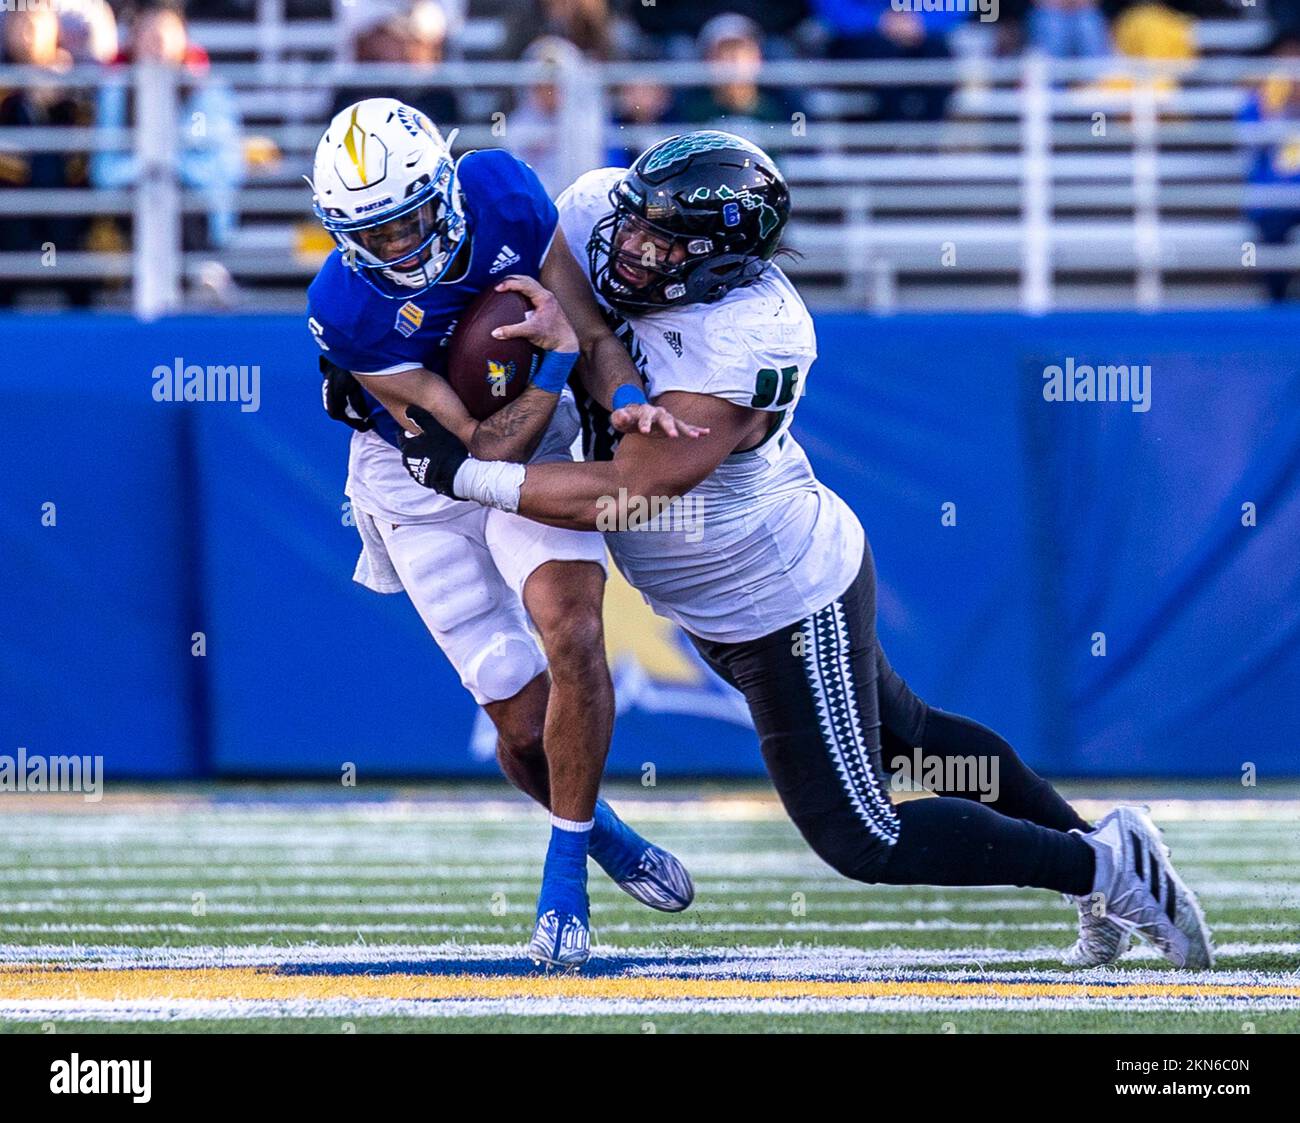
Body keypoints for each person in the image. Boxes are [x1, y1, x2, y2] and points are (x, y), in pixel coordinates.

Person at [385, 131, 1216, 970]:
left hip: (775, 594)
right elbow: (582, 323)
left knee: (861, 834)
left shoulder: (748, 334)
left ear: (721, 260)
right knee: (913, 739)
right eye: (635, 221)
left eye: (663, 239)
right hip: (720, 588)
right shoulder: (603, 205)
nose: (631, 243)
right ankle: (1101, 859)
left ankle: (1101, 863)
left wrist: (472, 479)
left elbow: (625, 490)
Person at [305, 98, 701, 968]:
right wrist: (554, 363)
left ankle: (564, 870)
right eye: (376, 231)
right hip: (418, 477)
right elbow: (478, 449)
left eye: (411, 217)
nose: (402, 245)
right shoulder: (346, 304)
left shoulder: (506, 196)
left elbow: (589, 326)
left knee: (576, 628)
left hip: (534, 434)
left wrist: (626, 395)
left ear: (445, 187)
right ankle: (603, 832)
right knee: (521, 726)